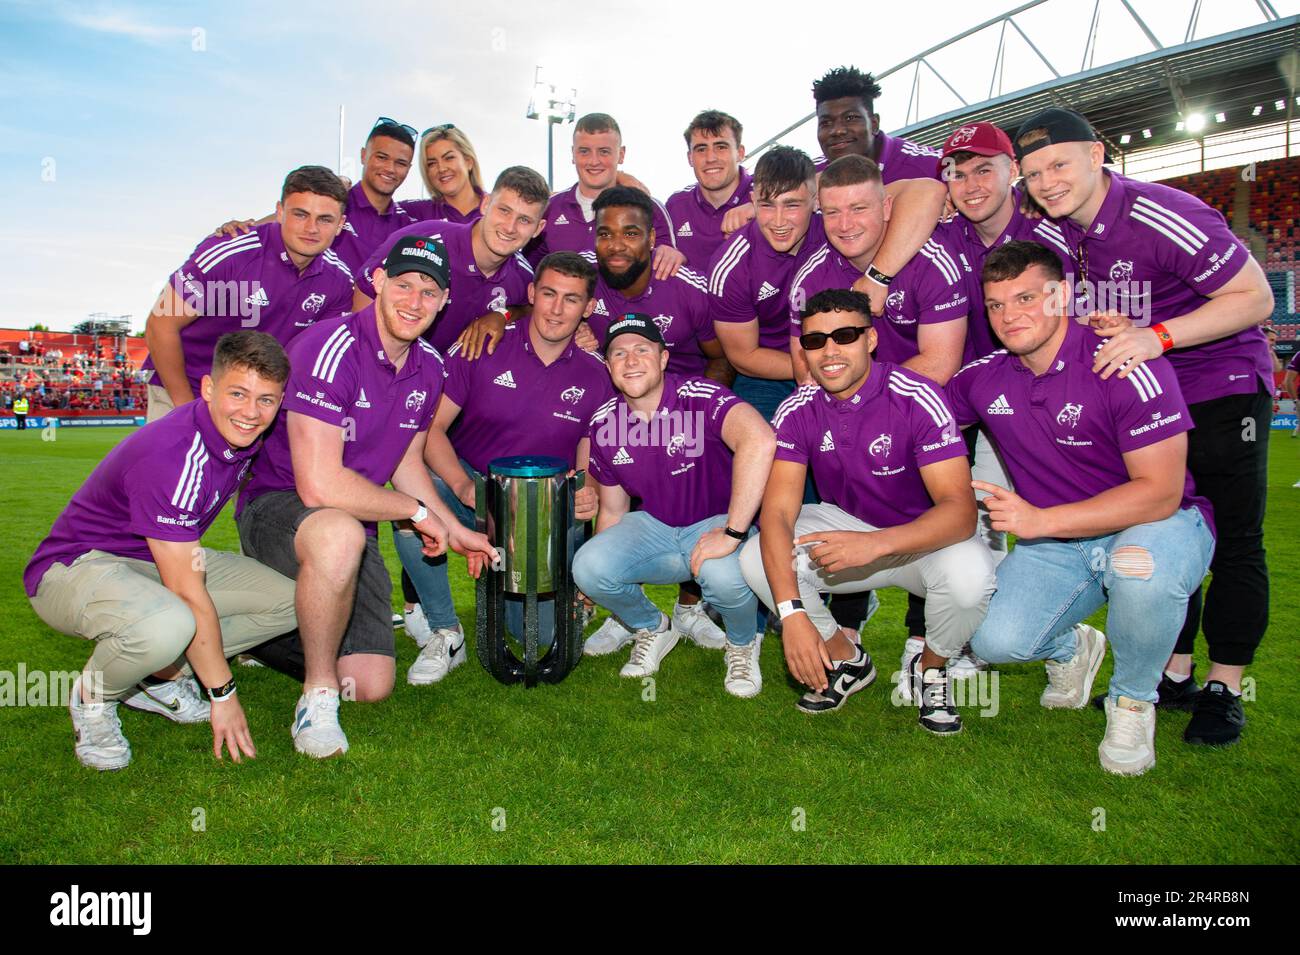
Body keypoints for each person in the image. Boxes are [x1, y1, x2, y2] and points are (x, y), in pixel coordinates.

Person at [1015, 106, 1274, 745]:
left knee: (1236, 539)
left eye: (1059, 165)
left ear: (1097, 155)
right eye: (1033, 172)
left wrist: (1157, 337)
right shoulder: (1056, 235)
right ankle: (1173, 672)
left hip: (1220, 389)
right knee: (1162, 534)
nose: (1046, 182)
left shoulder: (1161, 212)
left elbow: (1255, 297)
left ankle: (1226, 685)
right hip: (1141, 402)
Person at [951, 241, 1216, 774]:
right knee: (992, 641)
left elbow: (1161, 490)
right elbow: (913, 414)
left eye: (1026, 297)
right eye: (997, 304)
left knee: (1140, 570)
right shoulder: (983, 377)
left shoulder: (1121, 357)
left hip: (1153, 525)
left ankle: (1134, 701)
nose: (1009, 316)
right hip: (1058, 544)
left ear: (1063, 295)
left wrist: (1041, 520)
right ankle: (1072, 649)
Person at [235, 236, 496, 758]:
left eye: (429, 291)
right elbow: (319, 486)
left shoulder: (430, 366)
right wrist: (418, 514)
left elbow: (405, 462)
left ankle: (256, 634)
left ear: (444, 301)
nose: (414, 301)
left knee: (371, 684)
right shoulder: (327, 346)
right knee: (338, 531)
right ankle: (317, 695)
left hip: (352, 523)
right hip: (280, 508)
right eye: (403, 285)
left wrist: (456, 527)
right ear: (376, 282)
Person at [24, 332, 299, 770]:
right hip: (75, 567)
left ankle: (157, 675)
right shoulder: (173, 455)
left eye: (266, 400)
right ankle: (93, 696)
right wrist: (223, 694)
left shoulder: (247, 435)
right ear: (208, 388)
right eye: (238, 394)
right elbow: (189, 593)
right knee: (173, 620)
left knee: (291, 601)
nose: (251, 412)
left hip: (154, 557)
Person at [740, 288, 994, 732]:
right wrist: (792, 614)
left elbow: (960, 513)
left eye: (845, 335)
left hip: (923, 540)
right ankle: (847, 659)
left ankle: (932, 669)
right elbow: (778, 513)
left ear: (871, 340)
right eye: (815, 341)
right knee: (755, 555)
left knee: (972, 578)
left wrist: (875, 544)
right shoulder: (797, 409)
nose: (830, 351)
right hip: (852, 532)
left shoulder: (916, 395)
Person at [395, 251, 610, 685]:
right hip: (473, 487)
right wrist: (462, 485)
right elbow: (431, 429)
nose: (556, 308)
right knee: (406, 508)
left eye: (571, 300)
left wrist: (588, 489)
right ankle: (444, 630)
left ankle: (566, 601)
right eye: (548, 294)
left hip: (543, 508)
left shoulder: (598, 373)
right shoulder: (482, 345)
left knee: (534, 635)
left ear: (588, 308)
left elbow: (591, 445)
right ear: (531, 293)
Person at [575, 313, 776, 694]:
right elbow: (614, 511)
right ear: (608, 365)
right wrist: (596, 581)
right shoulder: (604, 422)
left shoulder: (699, 396)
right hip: (656, 526)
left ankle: (743, 641)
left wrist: (733, 531)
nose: (630, 361)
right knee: (587, 565)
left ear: (664, 358)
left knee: (725, 577)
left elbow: (760, 439)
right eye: (618, 353)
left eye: (641, 350)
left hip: (715, 521)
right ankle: (652, 626)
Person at [143, 166, 354, 421]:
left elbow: (315, 357)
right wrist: (184, 411)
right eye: (300, 214)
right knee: (176, 460)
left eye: (325, 219)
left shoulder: (339, 281)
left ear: (340, 224)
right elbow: (160, 325)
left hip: (257, 402)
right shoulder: (231, 253)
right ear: (279, 212)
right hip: (187, 386)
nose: (311, 228)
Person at [352, 166, 549, 351]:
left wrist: (503, 315)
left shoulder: (523, 275)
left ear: (538, 229)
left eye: (524, 220)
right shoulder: (424, 241)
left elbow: (528, 309)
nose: (509, 227)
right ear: (486, 204)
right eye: (504, 210)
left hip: (449, 382)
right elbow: (366, 289)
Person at [215, 118, 420, 274]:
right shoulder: (329, 203)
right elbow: (279, 222)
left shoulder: (407, 227)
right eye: (381, 157)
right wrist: (238, 230)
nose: (389, 168)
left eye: (400, 163)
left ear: (409, 168)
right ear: (363, 155)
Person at [708, 146, 824, 421]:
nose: (779, 221)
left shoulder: (839, 233)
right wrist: (812, 369)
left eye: (792, 204)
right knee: (762, 445)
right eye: (767, 205)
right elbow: (744, 356)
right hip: (771, 370)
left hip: (840, 352)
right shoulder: (731, 266)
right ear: (752, 201)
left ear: (816, 201)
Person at [525, 113, 684, 279]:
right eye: (584, 151)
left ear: (621, 154)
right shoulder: (549, 208)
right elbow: (529, 274)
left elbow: (667, 265)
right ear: (573, 154)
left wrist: (672, 254)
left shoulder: (650, 207)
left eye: (604, 151)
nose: (594, 161)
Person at [666, 110, 753, 269]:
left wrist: (761, 208)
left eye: (721, 147)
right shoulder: (676, 206)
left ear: (740, 153)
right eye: (701, 149)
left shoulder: (768, 195)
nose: (710, 158)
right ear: (690, 158)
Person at [403, 125, 487, 224]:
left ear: (468, 162)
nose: (441, 169)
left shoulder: (499, 208)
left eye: (449, 158)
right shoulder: (413, 212)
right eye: (432, 163)